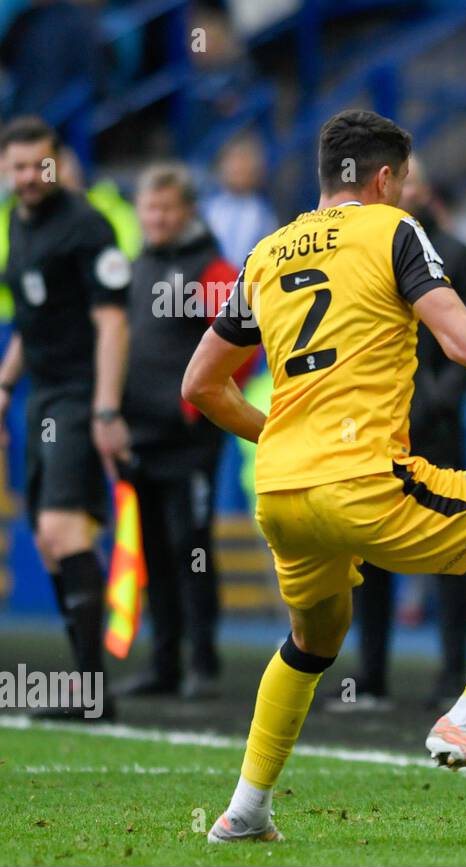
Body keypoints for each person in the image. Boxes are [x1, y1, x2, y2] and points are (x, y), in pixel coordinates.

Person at [184, 109, 466, 843]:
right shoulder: (393, 230)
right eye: (401, 182)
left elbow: (201, 387)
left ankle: (245, 809)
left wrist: (275, 434)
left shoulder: (267, 252)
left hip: (281, 494)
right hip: (366, 482)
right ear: (384, 179)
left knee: (313, 641)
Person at [0, 116, 132, 720]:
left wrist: (105, 408)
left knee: (62, 529)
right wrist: (5, 384)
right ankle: (89, 691)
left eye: (39, 165)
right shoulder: (16, 224)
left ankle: (95, 692)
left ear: (57, 163)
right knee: (50, 544)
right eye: (18, 166)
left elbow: (112, 323)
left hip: (81, 393)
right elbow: (32, 318)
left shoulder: (86, 226)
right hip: (44, 396)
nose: (29, 177)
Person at [343, 154, 466, 711]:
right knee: (370, 551)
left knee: (452, 548)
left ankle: (453, 675)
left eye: (411, 182)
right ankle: (370, 676)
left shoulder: (459, 254)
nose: (403, 190)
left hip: (434, 428)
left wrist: (431, 404)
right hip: (377, 430)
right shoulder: (363, 250)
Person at [117, 162, 243, 700]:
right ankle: (163, 662)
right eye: (149, 207)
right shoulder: (135, 267)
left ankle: (202, 663)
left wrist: (202, 405)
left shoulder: (211, 268)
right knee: (151, 551)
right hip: (137, 434)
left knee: (190, 545)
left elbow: (244, 343)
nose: (157, 217)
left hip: (189, 440)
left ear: (188, 210)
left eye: (167, 208)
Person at [200, 135, 280, 266]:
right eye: (234, 164)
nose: (238, 169)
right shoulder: (209, 208)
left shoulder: (263, 214)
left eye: (244, 164)